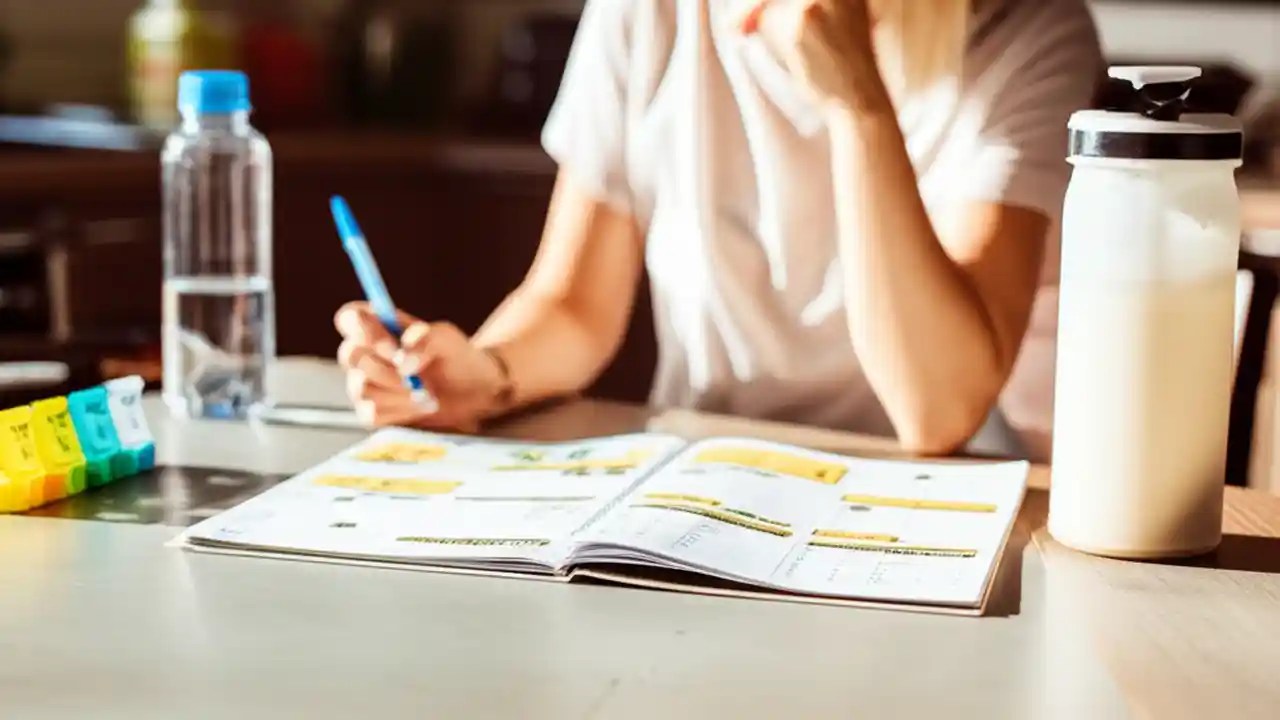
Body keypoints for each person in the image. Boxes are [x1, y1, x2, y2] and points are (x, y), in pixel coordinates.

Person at [335, 0, 1103, 456]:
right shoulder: (650, 12)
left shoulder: (1028, 32)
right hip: (697, 476)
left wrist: (858, 106)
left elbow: (937, 408)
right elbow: (573, 305)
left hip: (912, 501)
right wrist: (486, 372)